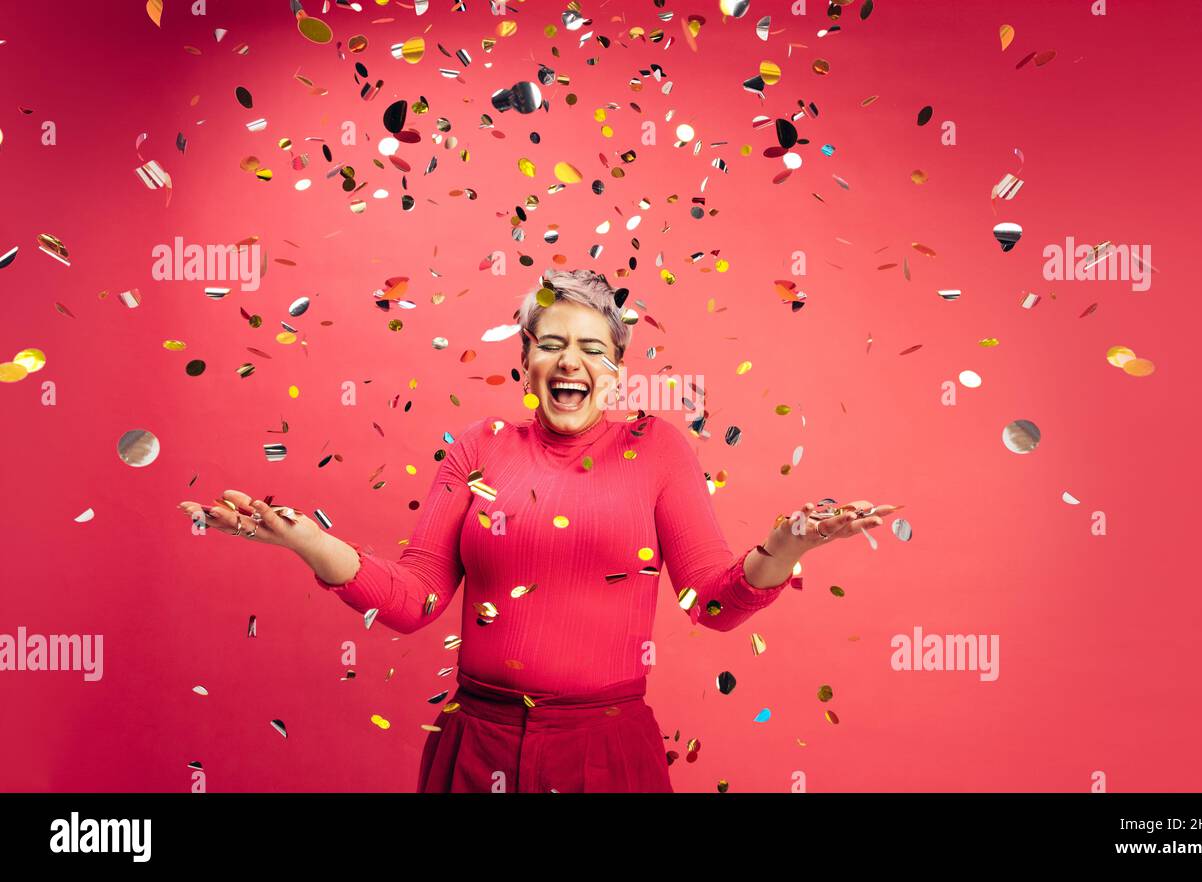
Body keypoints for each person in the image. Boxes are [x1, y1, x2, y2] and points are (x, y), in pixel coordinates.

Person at [178, 268, 902, 792]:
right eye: (550, 343)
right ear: (525, 362)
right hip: (474, 746)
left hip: (606, 754)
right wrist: (307, 538)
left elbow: (710, 604)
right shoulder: (478, 447)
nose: (570, 362)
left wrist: (789, 546)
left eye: (592, 348)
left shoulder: (657, 448)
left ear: (616, 372)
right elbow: (412, 600)